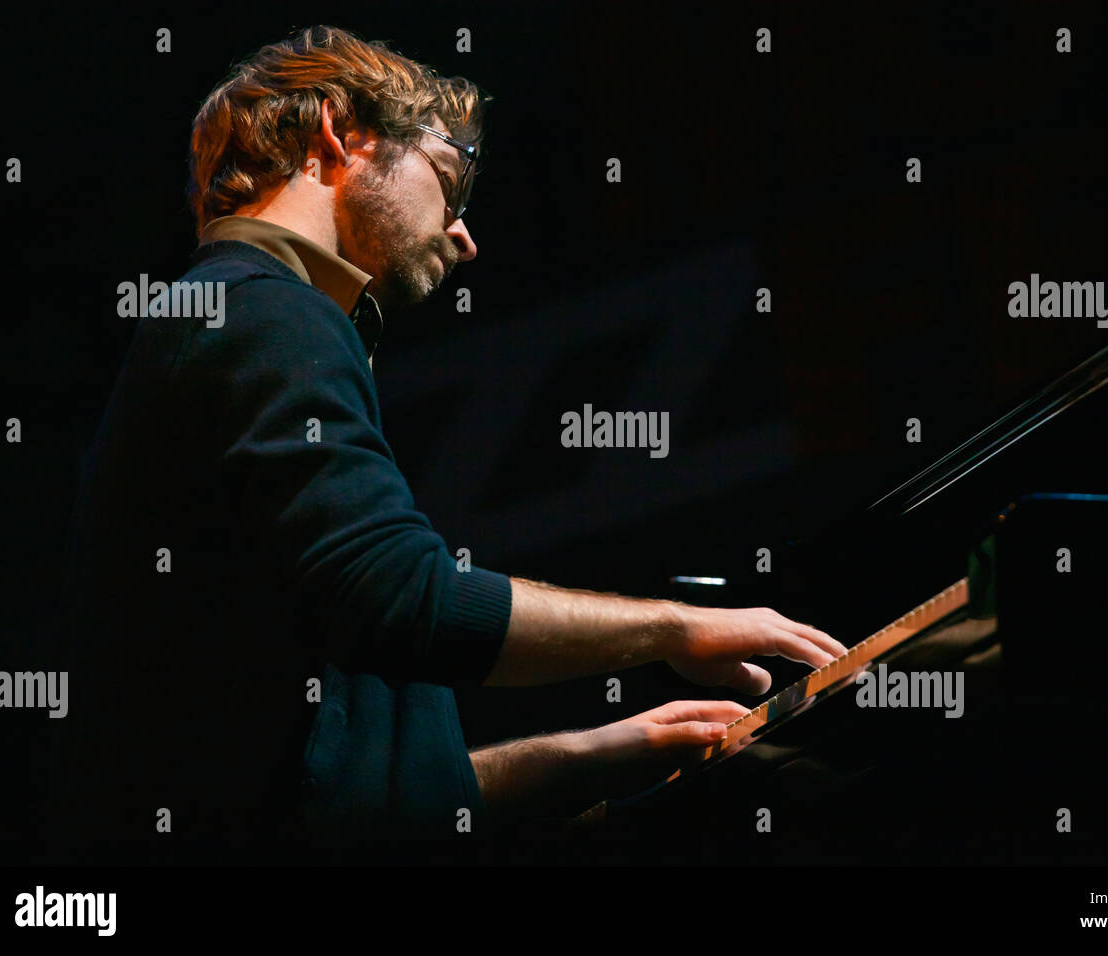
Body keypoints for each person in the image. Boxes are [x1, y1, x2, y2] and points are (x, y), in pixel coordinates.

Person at [51, 24, 845, 864]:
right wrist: (674, 628)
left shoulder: (227, 318)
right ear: (339, 131)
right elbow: (402, 594)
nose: (465, 235)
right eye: (451, 180)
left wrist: (592, 755)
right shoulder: (263, 311)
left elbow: (326, 796)